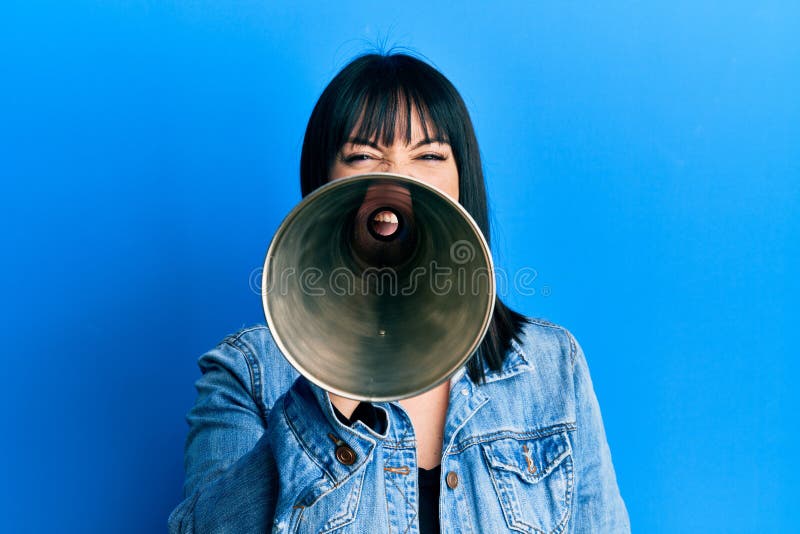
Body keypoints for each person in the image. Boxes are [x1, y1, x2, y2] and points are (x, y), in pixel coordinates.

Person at [168, 52, 630, 533]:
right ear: (322, 181)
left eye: (429, 155)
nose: (396, 180)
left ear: (460, 182)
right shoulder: (248, 373)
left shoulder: (553, 367)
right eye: (364, 156)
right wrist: (327, 388)